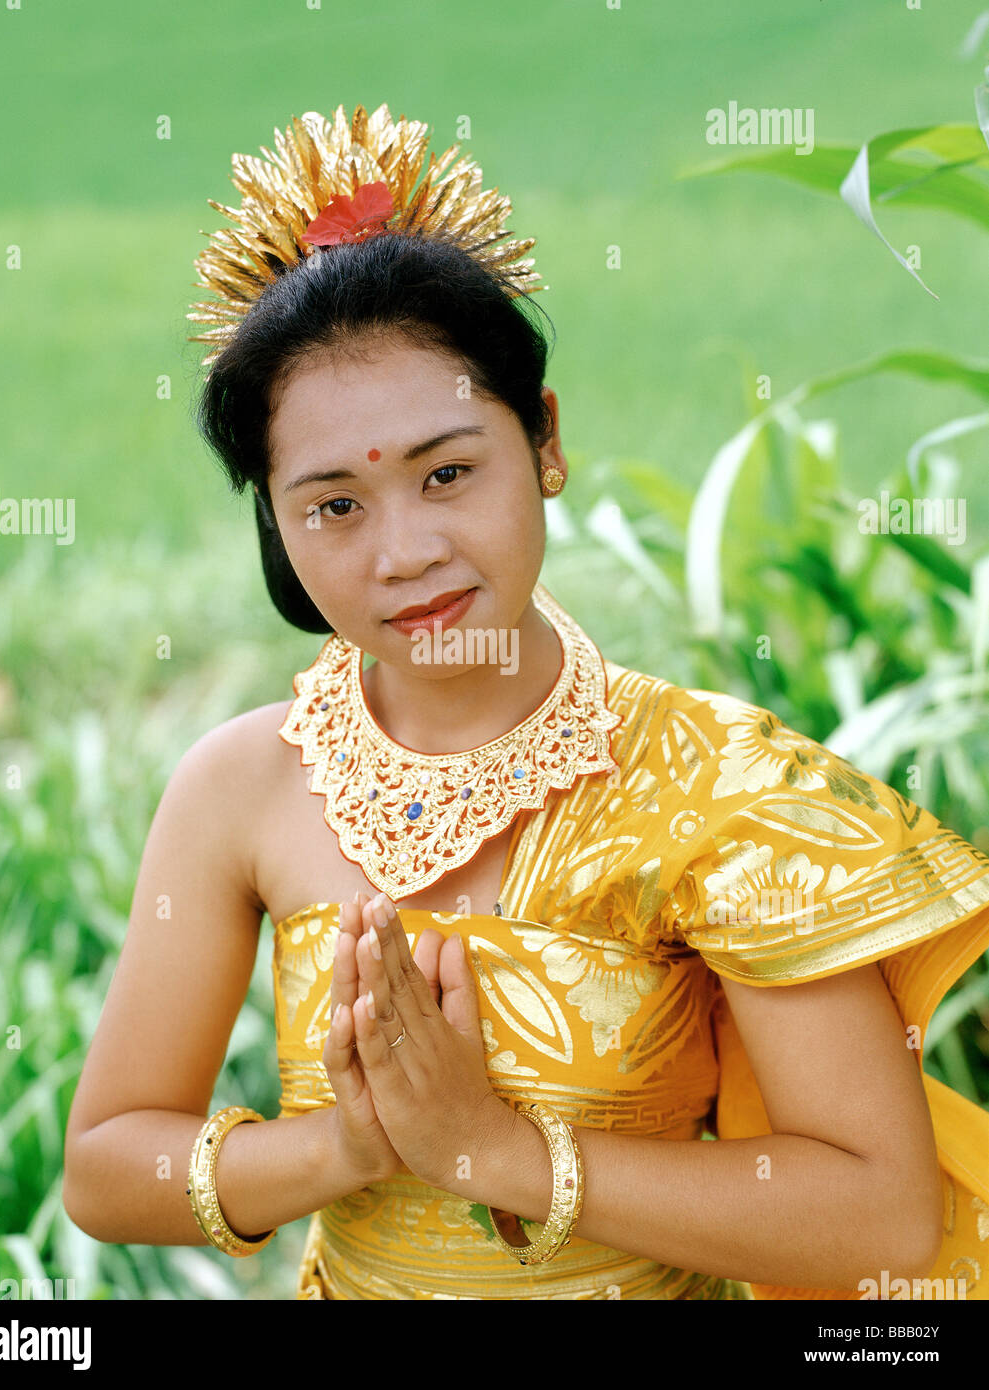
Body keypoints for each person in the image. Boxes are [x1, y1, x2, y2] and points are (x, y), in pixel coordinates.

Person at [62, 103, 989, 1301]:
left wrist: (496, 1153)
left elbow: (880, 1216)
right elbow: (104, 1166)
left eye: (448, 472)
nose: (401, 552)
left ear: (543, 440)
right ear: (276, 528)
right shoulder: (240, 788)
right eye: (332, 505)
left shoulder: (720, 786)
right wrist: (344, 1146)